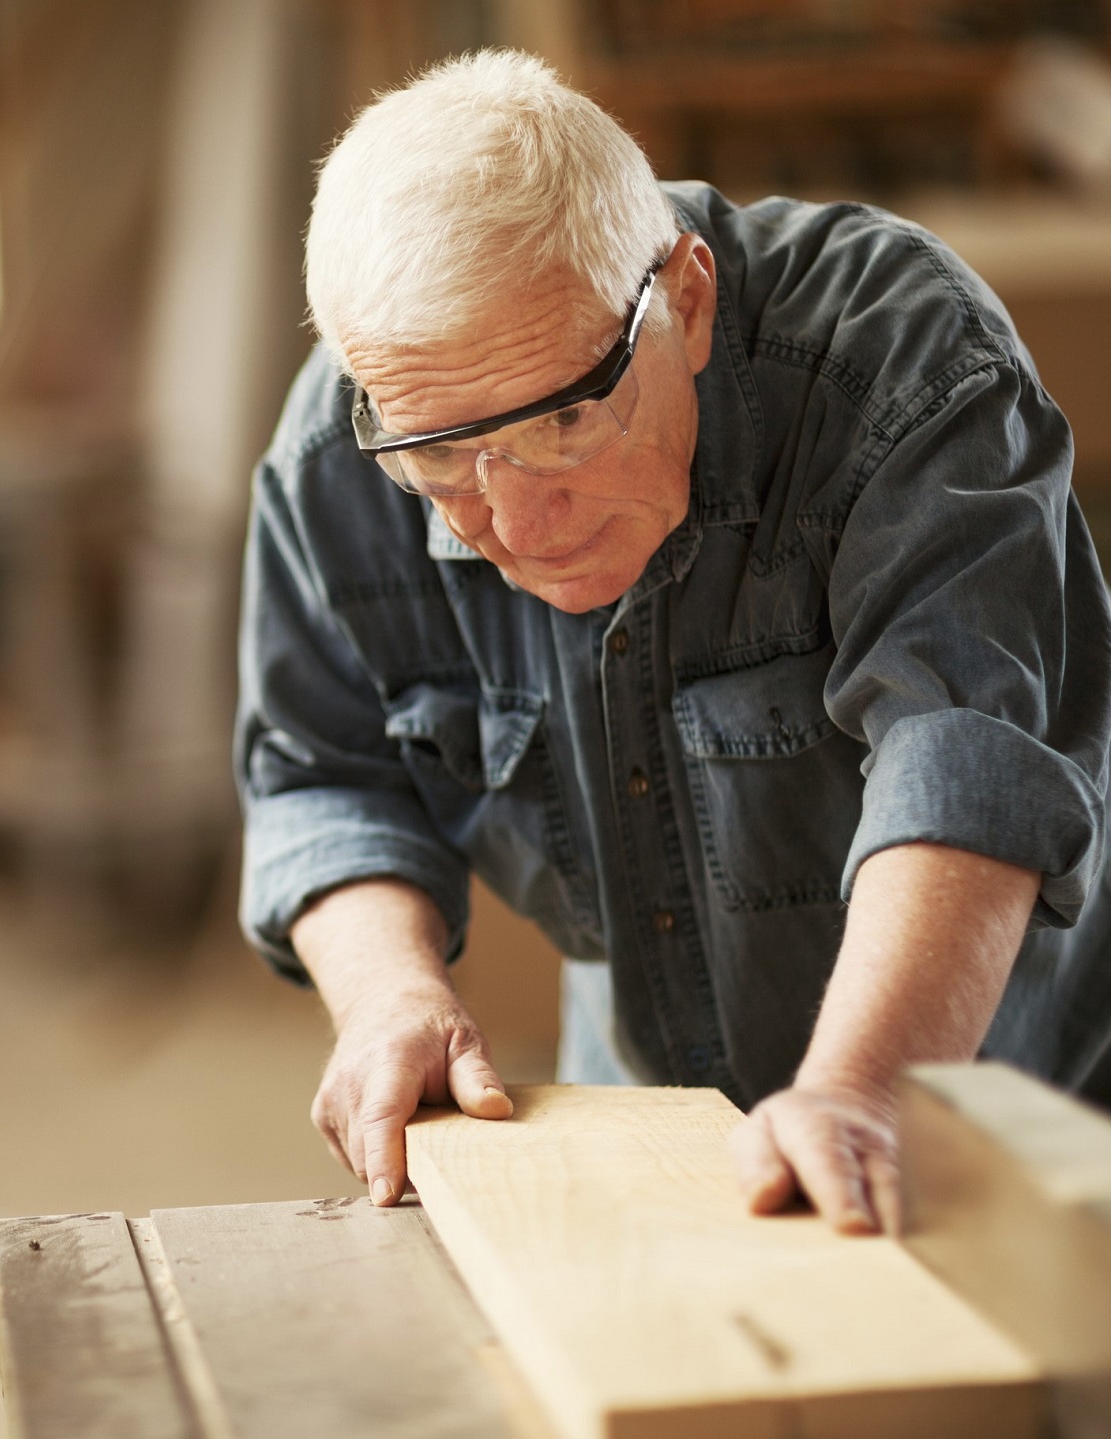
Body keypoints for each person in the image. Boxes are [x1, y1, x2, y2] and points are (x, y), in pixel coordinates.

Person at [235, 48, 1111, 1235]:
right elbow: (323, 772)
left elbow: (962, 750)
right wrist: (391, 996)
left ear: (686, 302)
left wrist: (861, 1088)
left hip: (1003, 1085)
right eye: (440, 458)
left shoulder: (898, 351)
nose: (517, 521)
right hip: (655, 1116)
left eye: (565, 418)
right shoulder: (337, 450)